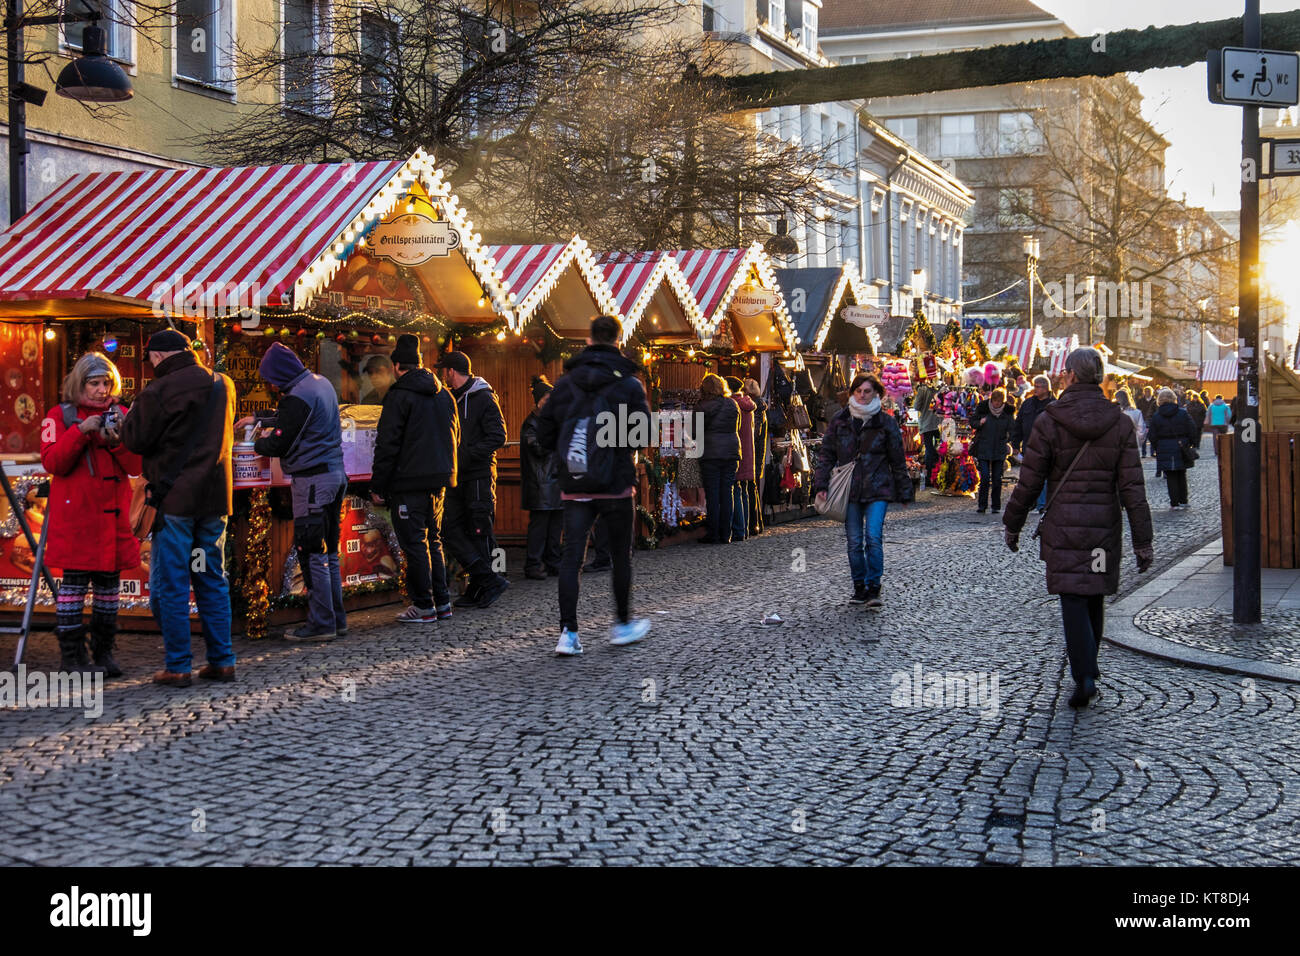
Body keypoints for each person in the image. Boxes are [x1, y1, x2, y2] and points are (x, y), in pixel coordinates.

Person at [1003, 348, 1154, 709]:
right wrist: (1142, 541)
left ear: (1069, 375)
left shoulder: (1050, 421)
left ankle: (1084, 674)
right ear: (1099, 377)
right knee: (1094, 594)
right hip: (1102, 527)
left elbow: (1030, 481)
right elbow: (1133, 487)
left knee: (1072, 596)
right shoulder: (1119, 423)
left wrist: (1013, 523)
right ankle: (1090, 669)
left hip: (1065, 528)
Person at [122, 329, 237, 687]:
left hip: (174, 504)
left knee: (171, 583)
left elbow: (134, 439)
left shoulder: (159, 390)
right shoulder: (224, 384)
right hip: (213, 504)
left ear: (157, 357)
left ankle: (178, 666)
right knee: (209, 577)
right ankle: (222, 661)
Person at [535, 315, 652, 656]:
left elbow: (543, 435)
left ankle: (568, 634)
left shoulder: (565, 383)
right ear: (618, 339)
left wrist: (569, 450)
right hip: (615, 483)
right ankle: (621, 624)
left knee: (572, 557)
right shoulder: (629, 383)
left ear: (588, 340)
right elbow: (642, 434)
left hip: (575, 482)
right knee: (619, 555)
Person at [40, 352, 141, 677]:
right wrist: (81, 431)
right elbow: (53, 462)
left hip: (112, 516)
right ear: (79, 384)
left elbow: (137, 467)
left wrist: (116, 442)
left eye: (106, 383)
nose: (101, 390)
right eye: (94, 383)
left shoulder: (121, 414)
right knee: (73, 588)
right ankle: (71, 656)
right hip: (78, 517)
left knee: (108, 590)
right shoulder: (59, 416)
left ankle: (103, 653)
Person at [241, 342, 348, 641]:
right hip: (335, 476)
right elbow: (296, 420)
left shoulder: (297, 397)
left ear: (280, 375)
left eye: (271, 379)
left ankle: (321, 624)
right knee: (330, 552)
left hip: (312, 482)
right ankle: (337, 619)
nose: (271, 385)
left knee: (311, 551)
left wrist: (256, 443)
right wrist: (260, 417)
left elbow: (280, 441)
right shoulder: (319, 383)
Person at [370, 334, 460, 623]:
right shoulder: (444, 393)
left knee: (415, 545)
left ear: (397, 366)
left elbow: (387, 444)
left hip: (408, 482)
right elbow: (455, 434)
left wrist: (378, 485)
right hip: (439, 482)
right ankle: (442, 602)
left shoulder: (398, 396)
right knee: (433, 540)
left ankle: (423, 606)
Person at [813, 373, 913, 607]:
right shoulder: (840, 420)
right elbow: (826, 454)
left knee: (873, 538)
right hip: (850, 489)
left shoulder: (886, 422)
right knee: (854, 541)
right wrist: (821, 484)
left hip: (878, 487)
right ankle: (859, 587)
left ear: (876, 393)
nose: (862, 395)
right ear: (852, 393)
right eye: (858, 391)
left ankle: (874, 586)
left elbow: (897, 458)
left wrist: (905, 490)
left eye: (867, 391)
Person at [436, 351, 509, 608]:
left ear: (451, 372)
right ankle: (487, 579)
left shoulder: (483, 398)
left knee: (480, 531)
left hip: (478, 475)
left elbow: (498, 436)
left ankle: (486, 584)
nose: (441, 374)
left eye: (443, 370)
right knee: (450, 528)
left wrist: (467, 454)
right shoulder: (450, 397)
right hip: (457, 477)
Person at [520, 375, 562, 580]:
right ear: (538, 401)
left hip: (554, 482)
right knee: (539, 528)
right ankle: (533, 564)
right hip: (540, 484)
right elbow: (538, 448)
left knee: (555, 527)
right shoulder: (531, 424)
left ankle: (553, 562)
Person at [697, 373, 740, 544]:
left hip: (711, 454)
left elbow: (695, 432)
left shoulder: (702, 406)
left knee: (713, 495)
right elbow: (735, 427)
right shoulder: (732, 404)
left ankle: (713, 533)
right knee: (727, 493)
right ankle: (726, 534)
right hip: (731, 452)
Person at [1147, 387, 1198, 510]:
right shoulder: (1182, 413)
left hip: (1164, 447)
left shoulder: (1156, 416)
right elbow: (1192, 429)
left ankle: (1174, 503)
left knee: (1170, 475)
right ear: (1174, 399)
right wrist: (1190, 443)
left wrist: (1156, 447)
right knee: (1181, 473)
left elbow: (1152, 435)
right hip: (1181, 446)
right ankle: (1184, 500)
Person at [1010, 374, 1055, 513]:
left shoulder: (1054, 405)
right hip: (1028, 446)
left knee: (1044, 477)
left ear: (1046, 388)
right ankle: (1032, 502)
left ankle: (1042, 505)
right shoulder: (1028, 403)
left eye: (1038, 386)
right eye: (1034, 386)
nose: (1035, 389)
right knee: (1028, 477)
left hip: (1046, 446)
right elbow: (1018, 424)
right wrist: (1016, 444)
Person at [970, 387, 1016, 514]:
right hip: (984, 447)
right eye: (995, 401)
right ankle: (982, 505)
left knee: (997, 479)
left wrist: (1010, 440)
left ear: (1003, 402)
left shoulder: (1006, 414)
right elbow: (972, 421)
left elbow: (1013, 429)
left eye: (999, 401)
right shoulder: (984, 409)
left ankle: (995, 505)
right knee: (984, 477)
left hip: (999, 449)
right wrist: (980, 422)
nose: (996, 403)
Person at [726, 375, 756, 543]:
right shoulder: (748, 403)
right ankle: (744, 529)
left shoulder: (732, 404)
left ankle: (738, 530)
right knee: (743, 491)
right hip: (748, 453)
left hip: (736, 452)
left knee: (736, 491)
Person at [744, 379, 768, 536]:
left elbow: (754, 433)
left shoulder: (755, 408)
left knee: (750, 488)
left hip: (753, 453)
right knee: (752, 488)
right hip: (757, 453)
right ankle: (757, 523)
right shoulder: (760, 406)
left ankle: (754, 524)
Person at [911, 379, 942, 491]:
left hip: (927, 423)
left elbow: (916, 406)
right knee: (940, 448)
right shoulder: (941, 389)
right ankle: (939, 474)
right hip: (939, 423)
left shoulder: (923, 390)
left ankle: (929, 478)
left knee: (929, 449)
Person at [1137, 385, 1157, 457]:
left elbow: (1156, 410)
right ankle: (1143, 453)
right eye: (1146, 391)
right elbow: (1138, 409)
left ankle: (1152, 452)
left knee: (1152, 437)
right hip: (1143, 420)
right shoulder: (1141, 400)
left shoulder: (1154, 401)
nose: (1147, 393)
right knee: (1144, 437)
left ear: (1151, 392)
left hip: (1152, 420)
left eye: (1148, 391)